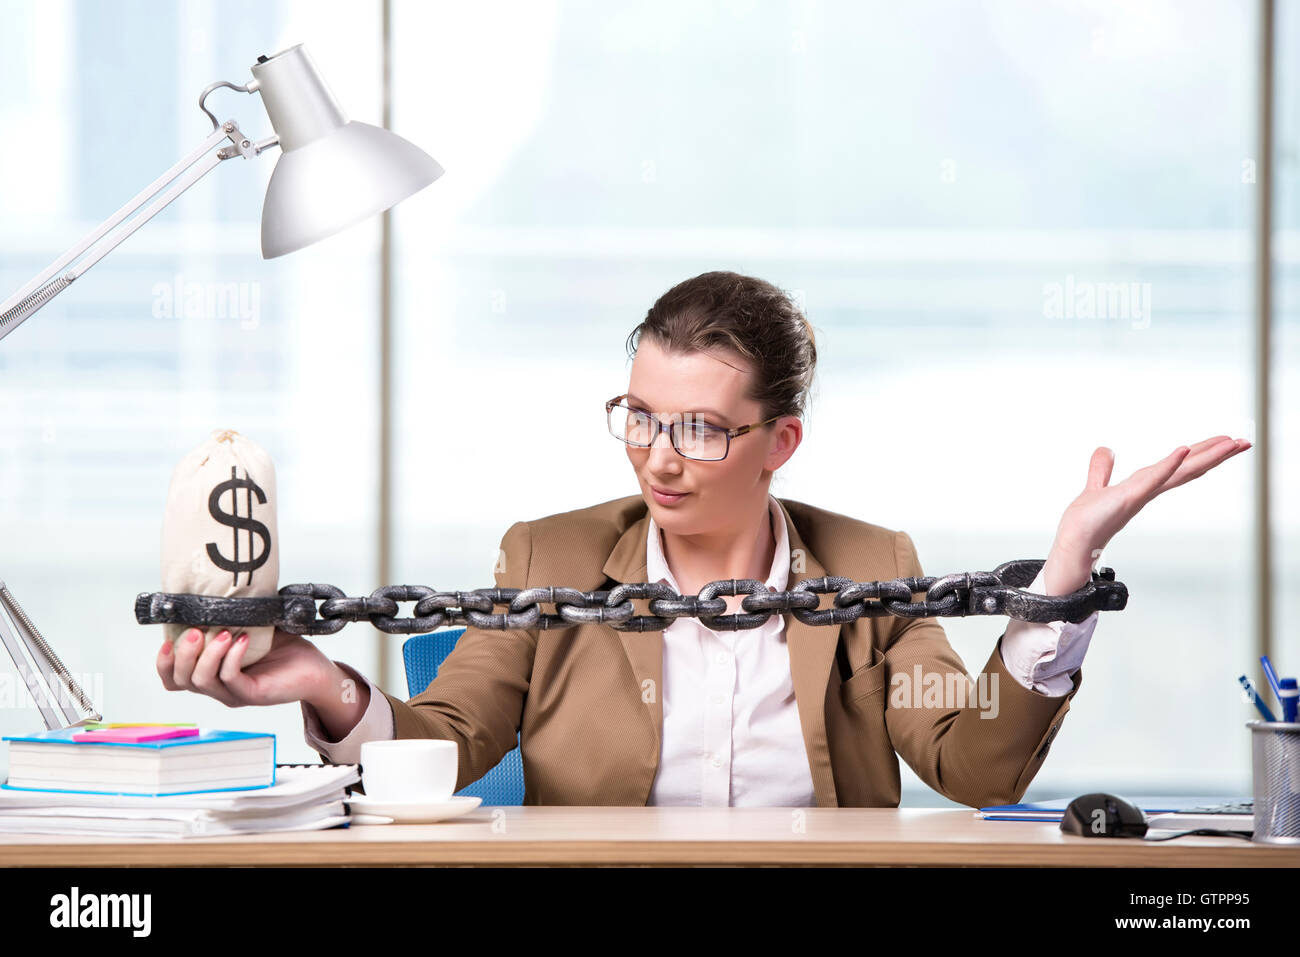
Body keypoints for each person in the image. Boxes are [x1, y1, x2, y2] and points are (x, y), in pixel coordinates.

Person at [156, 271, 1250, 807]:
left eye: (695, 429)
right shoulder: (548, 560)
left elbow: (973, 767)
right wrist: (324, 687)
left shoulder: (871, 567)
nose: (656, 458)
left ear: (781, 441)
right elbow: (450, 740)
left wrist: (1057, 582)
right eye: (638, 417)